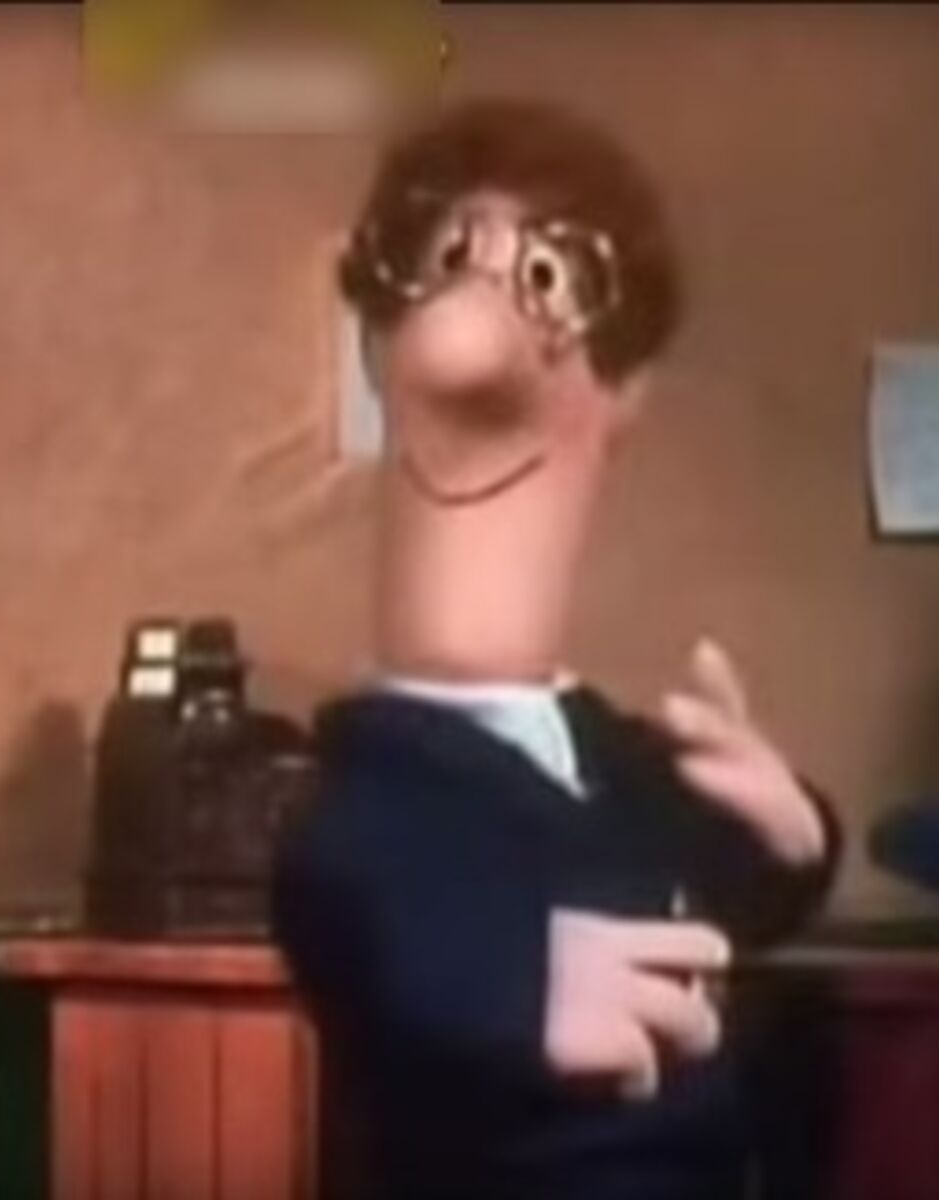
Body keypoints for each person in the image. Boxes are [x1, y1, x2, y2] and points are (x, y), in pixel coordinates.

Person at [272, 96, 842, 1200]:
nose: (492, 264)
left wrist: (797, 833)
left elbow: (727, 893)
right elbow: (343, 897)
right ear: (377, 346)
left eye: (547, 270)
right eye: (451, 252)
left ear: (623, 394)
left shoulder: (616, 764)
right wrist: (513, 984)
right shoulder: (371, 799)